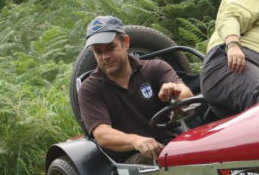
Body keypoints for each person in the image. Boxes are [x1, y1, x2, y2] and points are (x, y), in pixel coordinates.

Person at [77, 16, 193, 164]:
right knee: (166, 159)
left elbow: (187, 94)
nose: (105, 57)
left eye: (111, 48)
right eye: (98, 52)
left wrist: (176, 92)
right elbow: (102, 134)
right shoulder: (90, 89)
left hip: (171, 144)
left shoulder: (156, 68)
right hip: (132, 159)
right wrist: (136, 141)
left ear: (125, 43)